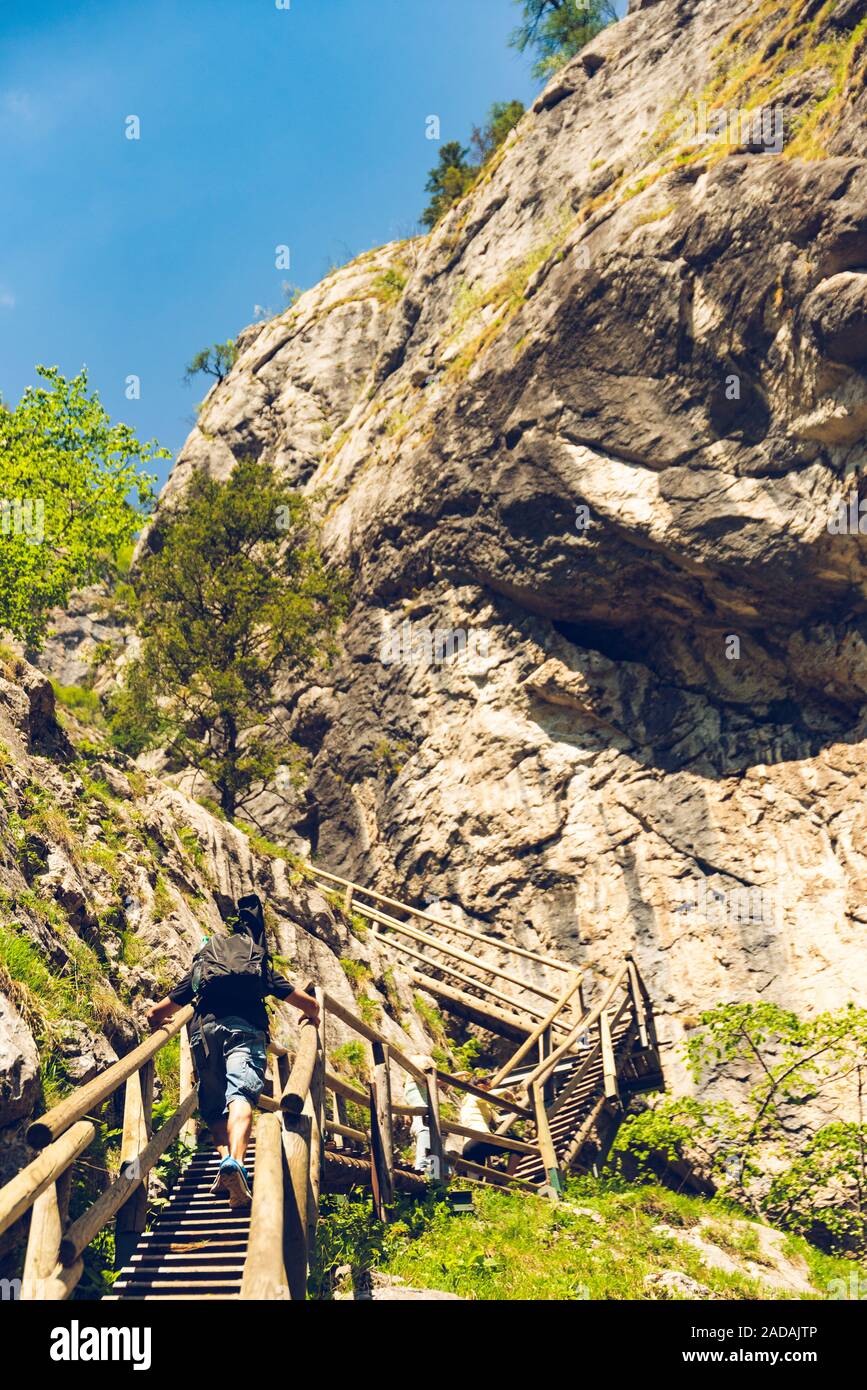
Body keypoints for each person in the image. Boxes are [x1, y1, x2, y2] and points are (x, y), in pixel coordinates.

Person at [147, 893, 319, 1209]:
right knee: (240, 1094)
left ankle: (225, 1161)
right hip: (246, 1030)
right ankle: (237, 1163)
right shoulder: (256, 962)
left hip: (204, 1034)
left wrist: (159, 1021)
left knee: (214, 1108)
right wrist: (314, 1014)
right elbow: (307, 1003)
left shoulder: (204, 964)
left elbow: (158, 1012)